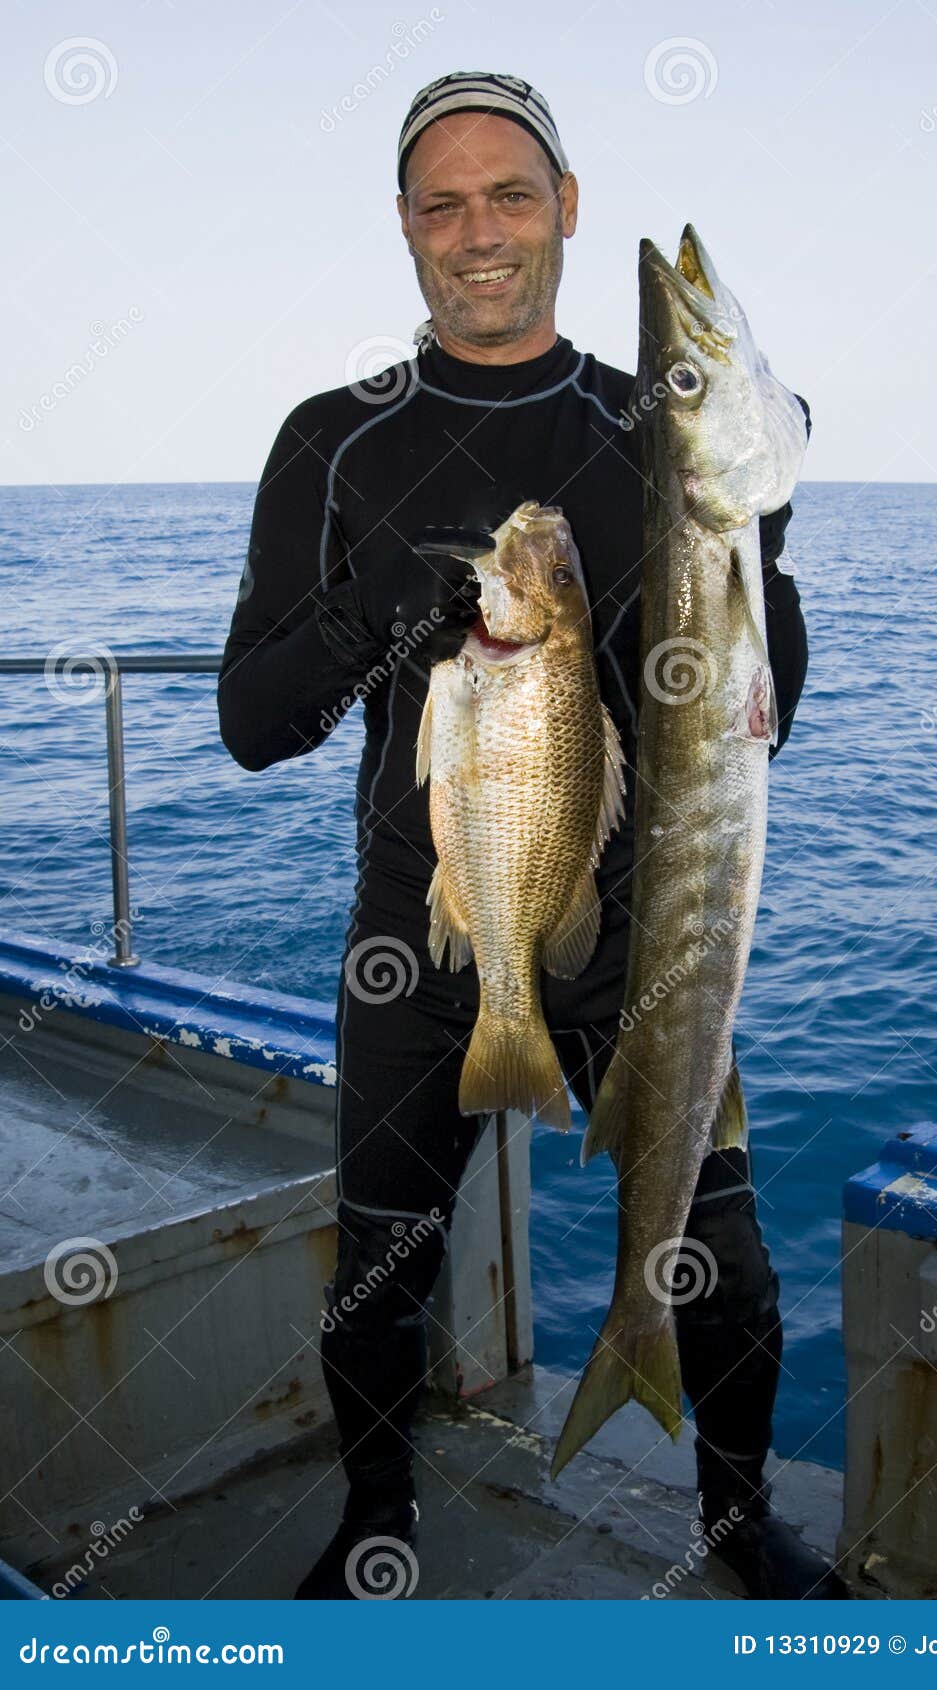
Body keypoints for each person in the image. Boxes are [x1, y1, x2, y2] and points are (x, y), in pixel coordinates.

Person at [217, 70, 843, 1601]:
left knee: (727, 1263)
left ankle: (734, 1522)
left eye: (510, 195)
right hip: (426, 920)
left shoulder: (653, 429)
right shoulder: (335, 441)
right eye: (442, 204)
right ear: (406, 231)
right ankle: (376, 1517)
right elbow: (254, 720)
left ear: (566, 208)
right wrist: (380, 622)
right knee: (379, 1250)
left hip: (642, 926)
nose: (477, 231)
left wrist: (749, 535)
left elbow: (773, 705)